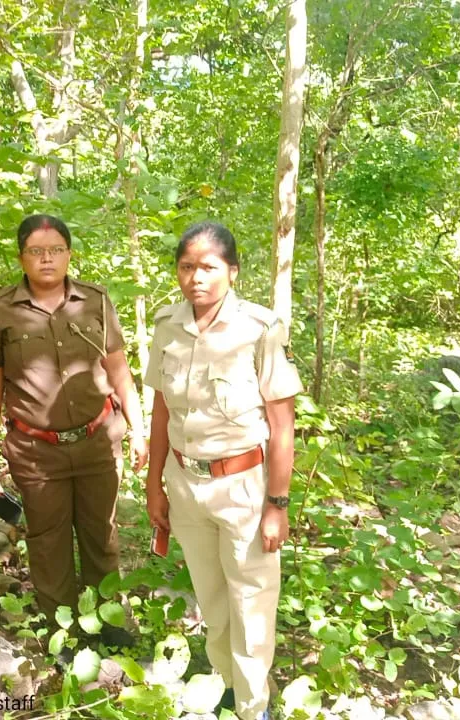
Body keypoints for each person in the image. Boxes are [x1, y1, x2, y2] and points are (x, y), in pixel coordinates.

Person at [144, 222, 303, 720]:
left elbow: (282, 425)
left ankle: (253, 708)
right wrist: (155, 485)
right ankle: (225, 690)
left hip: (244, 487)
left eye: (209, 267)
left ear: (232, 272)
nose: (196, 278)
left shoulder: (260, 329)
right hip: (185, 483)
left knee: (251, 604)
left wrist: (277, 505)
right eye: (187, 266)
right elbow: (161, 411)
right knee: (212, 601)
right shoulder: (167, 325)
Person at [0, 214, 146, 643]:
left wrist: (140, 429)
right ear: (21, 257)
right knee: (48, 545)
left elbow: (120, 372)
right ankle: (63, 633)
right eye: (36, 251)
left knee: (100, 535)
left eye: (56, 250)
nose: (46, 258)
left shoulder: (96, 302)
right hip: (35, 449)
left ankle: (109, 624)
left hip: (98, 440)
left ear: (69, 254)